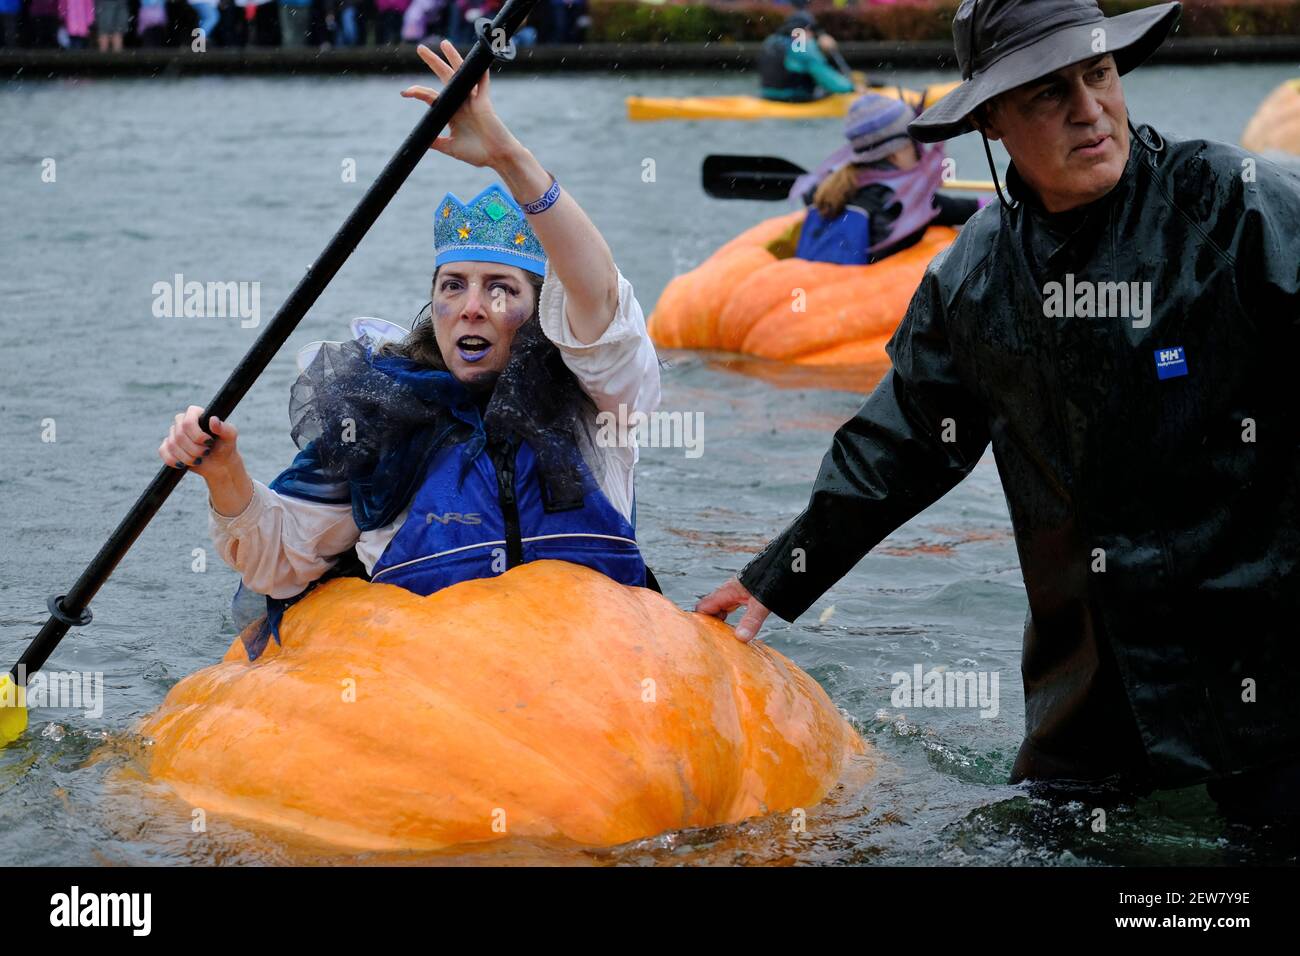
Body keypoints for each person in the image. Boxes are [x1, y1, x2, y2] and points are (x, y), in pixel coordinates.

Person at [698, 0, 1300, 823]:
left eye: (1099, 74)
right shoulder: (972, 280)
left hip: (1270, 672)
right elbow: (899, 445)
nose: (1090, 110)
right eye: (1050, 93)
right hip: (1093, 694)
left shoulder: (1246, 209)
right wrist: (781, 572)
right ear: (991, 118)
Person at [159, 40, 661, 659]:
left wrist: (507, 156)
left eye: (500, 289)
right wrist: (224, 474)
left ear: (541, 314)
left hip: (592, 673)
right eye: (453, 287)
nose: (472, 307)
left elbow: (598, 291)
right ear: (435, 305)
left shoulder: (600, 397)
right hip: (435, 690)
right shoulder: (381, 411)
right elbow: (278, 562)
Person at [791, 91, 984, 266]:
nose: (920, 153)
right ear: (895, 154)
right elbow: (969, 210)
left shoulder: (824, 187)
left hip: (819, 285)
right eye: (915, 145)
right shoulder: (900, 201)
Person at [757, 0, 859, 103]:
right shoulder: (802, 44)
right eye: (811, 31)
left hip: (767, 95)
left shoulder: (771, 40)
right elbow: (826, 78)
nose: (813, 36)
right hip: (793, 98)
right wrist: (852, 88)